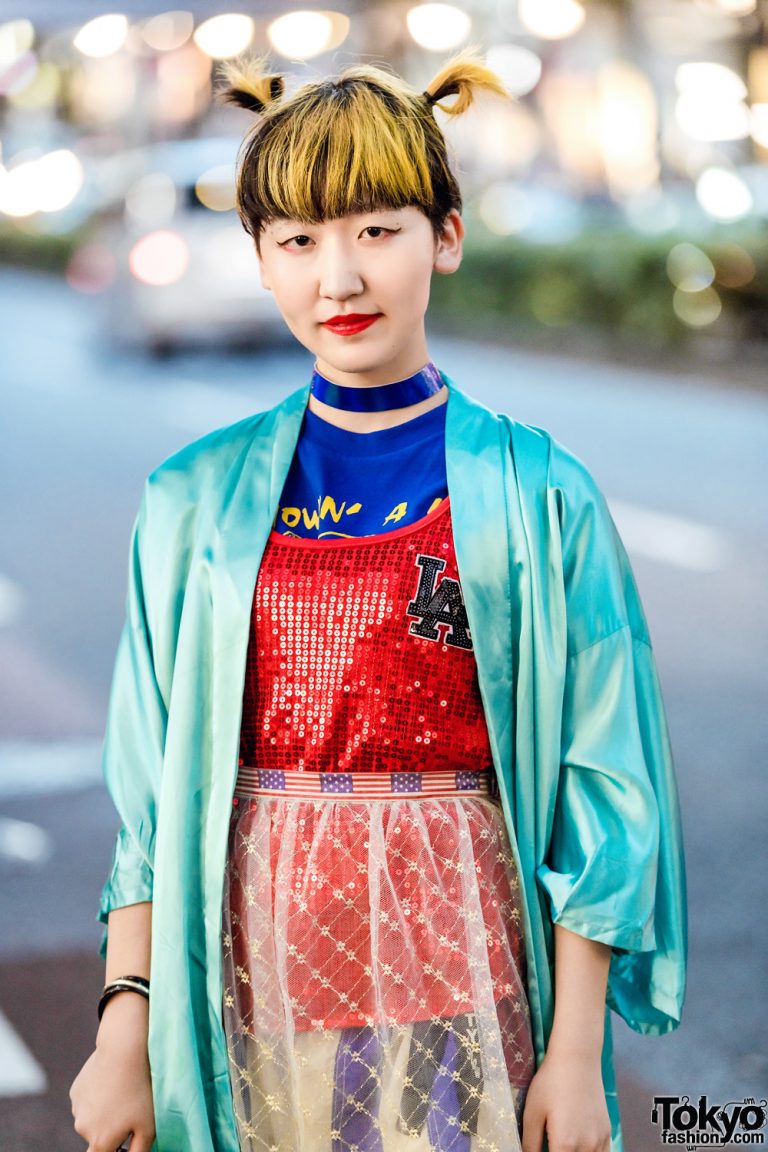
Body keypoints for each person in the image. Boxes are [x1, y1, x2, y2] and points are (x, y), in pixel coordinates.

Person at [69, 47, 687, 1152]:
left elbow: (608, 793)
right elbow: (151, 799)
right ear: (259, 257)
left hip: (469, 989)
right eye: (299, 240)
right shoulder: (193, 502)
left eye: (376, 230)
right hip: (247, 987)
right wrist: (127, 1028)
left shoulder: (542, 494)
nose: (338, 279)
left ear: (445, 236)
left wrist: (580, 1056)